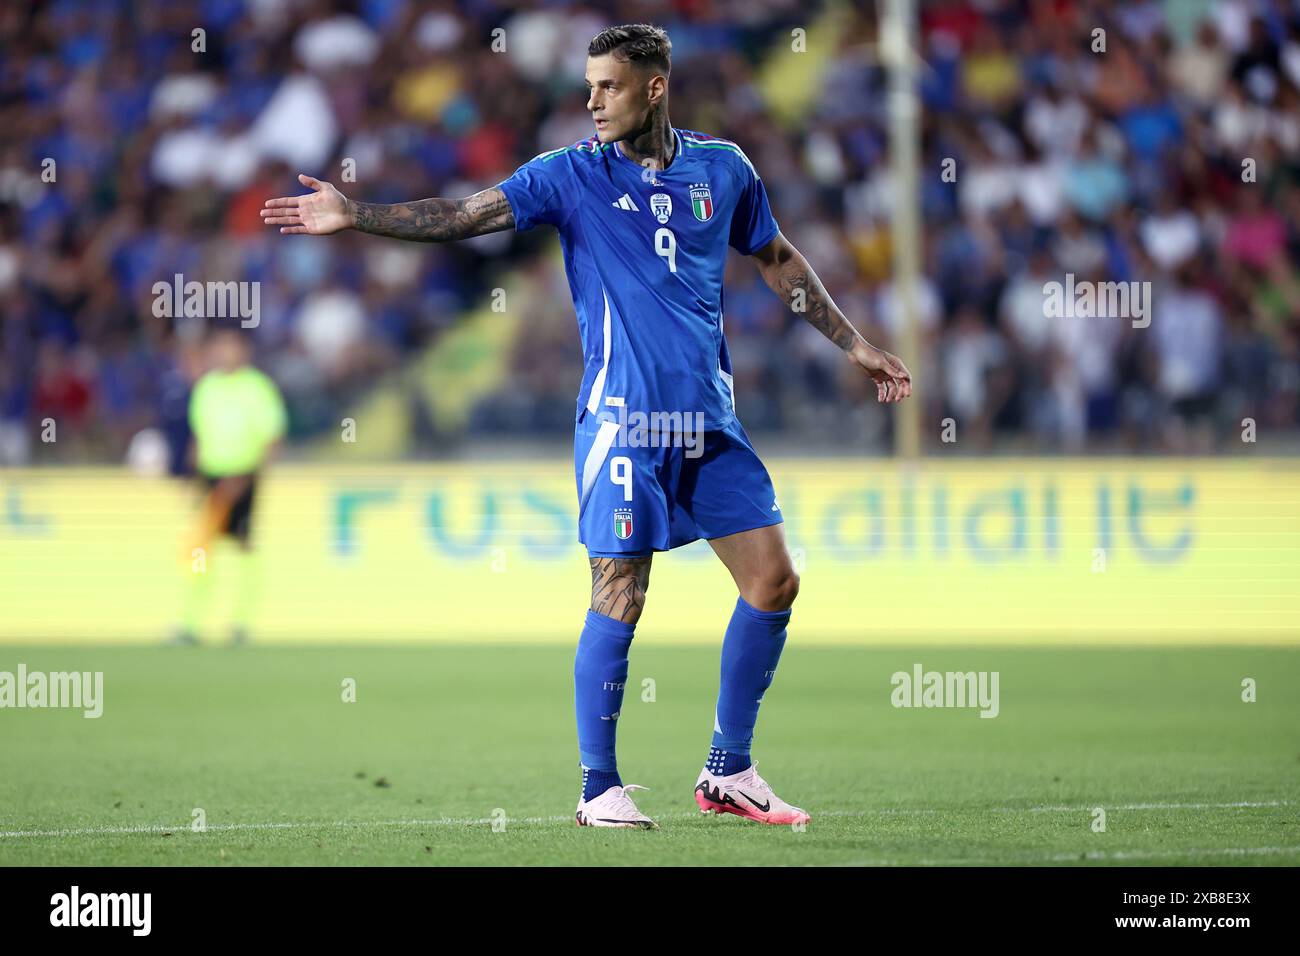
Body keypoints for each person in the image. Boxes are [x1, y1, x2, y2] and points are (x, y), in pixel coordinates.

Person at [261, 23, 911, 828]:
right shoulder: (569, 176)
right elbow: (466, 215)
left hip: (707, 422)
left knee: (774, 580)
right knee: (622, 590)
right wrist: (355, 213)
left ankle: (728, 770)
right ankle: (598, 786)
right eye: (589, 85)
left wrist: (854, 343)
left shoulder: (725, 168)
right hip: (623, 424)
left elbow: (774, 256)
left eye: (609, 85)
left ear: (655, 87)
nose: (592, 100)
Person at [172, 324, 287, 646]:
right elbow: (199, 437)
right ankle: (190, 624)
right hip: (211, 477)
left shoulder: (257, 388)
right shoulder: (207, 388)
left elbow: (272, 439)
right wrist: (192, 480)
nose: (225, 353)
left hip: (242, 476)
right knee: (201, 551)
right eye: (220, 347)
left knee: (243, 550)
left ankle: (240, 623)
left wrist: (249, 476)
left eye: (231, 347)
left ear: (244, 351)